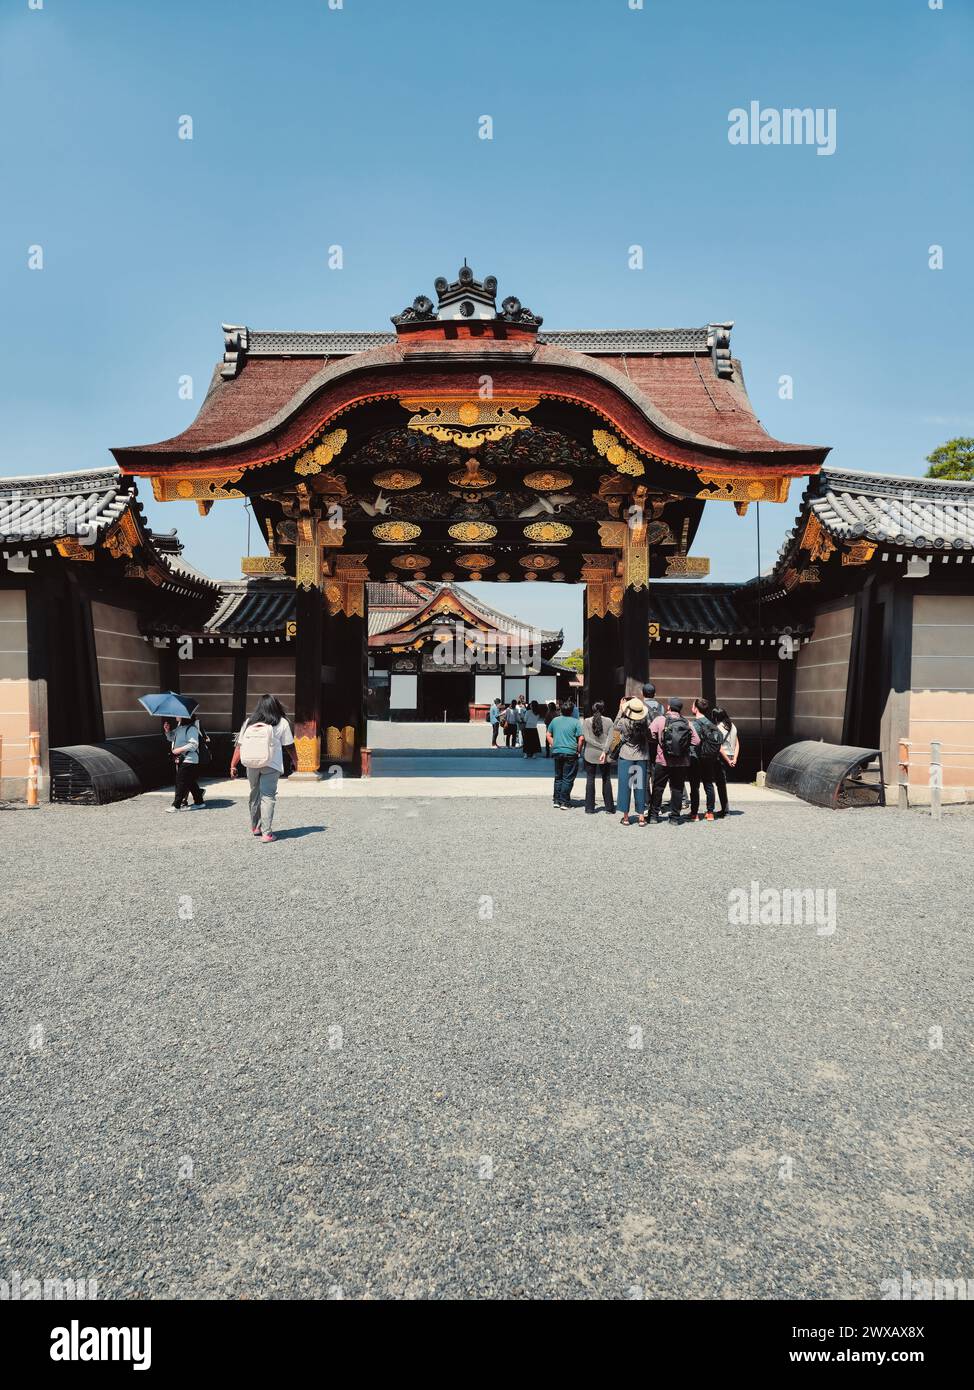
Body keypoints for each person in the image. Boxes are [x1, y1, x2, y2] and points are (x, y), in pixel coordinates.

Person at [229, 693, 297, 842]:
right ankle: (267, 834)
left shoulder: (249, 722)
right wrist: (295, 761)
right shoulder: (281, 722)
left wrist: (233, 765)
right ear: (275, 706)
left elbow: (239, 746)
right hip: (271, 764)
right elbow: (289, 746)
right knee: (267, 797)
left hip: (251, 764)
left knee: (254, 793)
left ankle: (256, 827)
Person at [648, 697, 700, 824]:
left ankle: (653, 816)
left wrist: (660, 741)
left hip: (662, 760)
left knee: (658, 788)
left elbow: (650, 734)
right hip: (681, 762)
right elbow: (697, 741)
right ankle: (675, 818)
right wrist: (684, 745)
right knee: (677, 789)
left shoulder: (660, 720)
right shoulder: (687, 723)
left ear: (668, 707)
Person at [613, 696, 651, 825]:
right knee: (640, 786)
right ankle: (641, 817)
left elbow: (615, 727)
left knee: (625, 786)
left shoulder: (624, 722)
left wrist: (620, 709)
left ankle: (626, 817)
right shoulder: (645, 722)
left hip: (626, 756)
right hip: (641, 756)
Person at [688, 696, 723, 822]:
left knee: (694, 786)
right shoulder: (711, 724)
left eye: (693, 705)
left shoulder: (694, 724)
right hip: (709, 758)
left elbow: (692, 742)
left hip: (696, 757)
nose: (691, 707)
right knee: (708, 784)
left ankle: (694, 814)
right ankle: (710, 813)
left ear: (696, 709)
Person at [546, 698, 584, 808]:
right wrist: (578, 750)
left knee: (558, 777)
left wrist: (554, 744)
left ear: (561, 710)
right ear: (572, 711)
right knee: (568, 778)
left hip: (557, 751)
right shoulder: (576, 722)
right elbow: (581, 738)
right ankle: (564, 801)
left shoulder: (555, 720)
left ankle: (556, 800)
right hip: (571, 752)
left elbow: (548, 735)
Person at [581, 700, 616, 814]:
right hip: (604, 754)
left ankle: (589, 808)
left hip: (590, 753)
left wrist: (599, 746)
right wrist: (604, 749)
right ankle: (609, 808)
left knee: (590, 779)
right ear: (603, 709)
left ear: (592, 710)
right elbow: (611, 738)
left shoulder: (587, 721)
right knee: (606, 779)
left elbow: (587, 738)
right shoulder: (609, 721)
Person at [163, 715, 204, 812]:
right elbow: (171, 738)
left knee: (180, 780)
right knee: (189, 781)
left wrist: (179, 750)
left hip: (190, 759)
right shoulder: (179, 727)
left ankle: (176, 805)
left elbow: (194, 744)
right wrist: (167, 731)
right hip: (183, 759)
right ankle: (199, 802)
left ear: (184, 716)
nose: (176, 716)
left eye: (178, 714)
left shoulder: (192, 728)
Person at [711, 706, 739, 818]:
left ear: (715, 717)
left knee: (721, 784)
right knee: (722, 784)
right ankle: (725, 809)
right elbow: (737, 743)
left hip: (722, 758)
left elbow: (719, 747)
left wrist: (727, 760)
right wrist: (734, 758)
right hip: (732, 756)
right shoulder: (733, 726)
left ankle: (725, 810)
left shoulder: (717, 728)